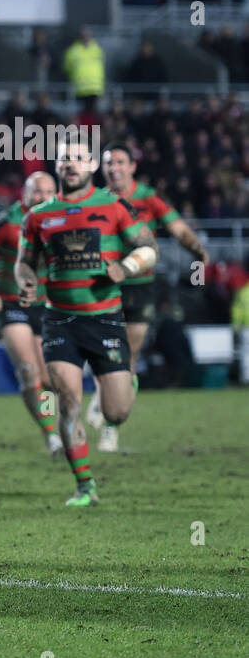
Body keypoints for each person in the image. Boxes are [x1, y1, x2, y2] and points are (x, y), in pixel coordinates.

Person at [17, 141, 158, 506]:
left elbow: (148, 247)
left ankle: (124, 387)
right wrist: (27, 280)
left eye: (79, 158)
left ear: (92, 165)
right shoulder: (38, 216)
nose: (71, 164)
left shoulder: (112, 205)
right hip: (59, 320)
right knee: (68, 399)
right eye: (65, 158)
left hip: (106, 321)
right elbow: (24, 261)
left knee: (117, 411)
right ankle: (85, 487)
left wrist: (124, 268)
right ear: (58, 165)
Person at [91, 142, 208, 451]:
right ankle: (101, 392)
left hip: (140, 285)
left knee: (128, 353)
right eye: (108, 162)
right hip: (103, 281)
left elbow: (179, 229)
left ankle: (112, 426)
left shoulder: (149, 199)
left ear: (132, 167)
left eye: (119, 162)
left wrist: (197, 251)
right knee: (100, 349)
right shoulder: (96, 199)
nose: (114, 167)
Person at [0, 171, 63, 455]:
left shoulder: (60, 223)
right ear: (25, 194)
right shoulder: (7, 223)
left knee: (49, 378)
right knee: (29, 371)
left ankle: (61, 422)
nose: (42, 197)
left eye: (48, 192)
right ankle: (52, 435)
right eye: (37, 191)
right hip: (11, 305)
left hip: (45, 306)